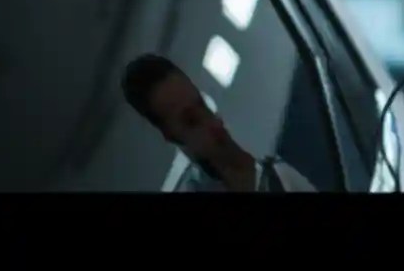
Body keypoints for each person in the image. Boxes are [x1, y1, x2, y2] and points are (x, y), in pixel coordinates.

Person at [121, 54, 316, 193]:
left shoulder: (279, 172)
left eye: (203, 105)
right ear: (171, 135)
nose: (213, 124)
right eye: (192, 121)